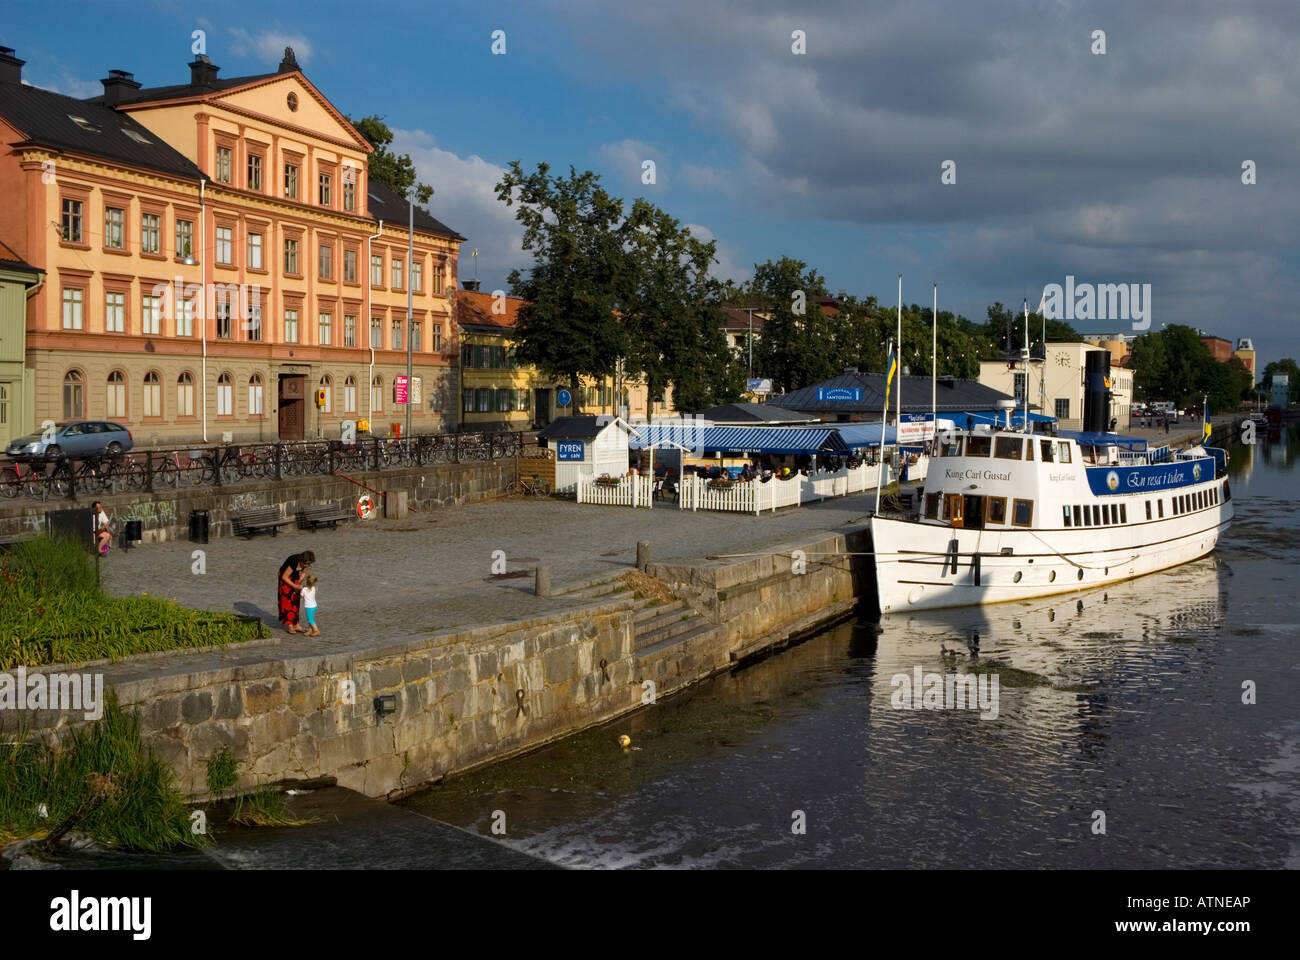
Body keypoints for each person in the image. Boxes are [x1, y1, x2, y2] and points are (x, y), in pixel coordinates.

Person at [277, 550, 315, 634]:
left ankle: (296, 624)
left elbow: (303, 573)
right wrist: (295, 586)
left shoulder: (306, 563)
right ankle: (290, 625)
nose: (307, 566)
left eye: (309, 564)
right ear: (301, 561)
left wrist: (298, 583)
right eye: (306, 564)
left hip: (294, 576)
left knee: (295, 600)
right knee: (287, 600)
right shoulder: (294, 561)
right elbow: (284, 577)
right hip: (285, 577)